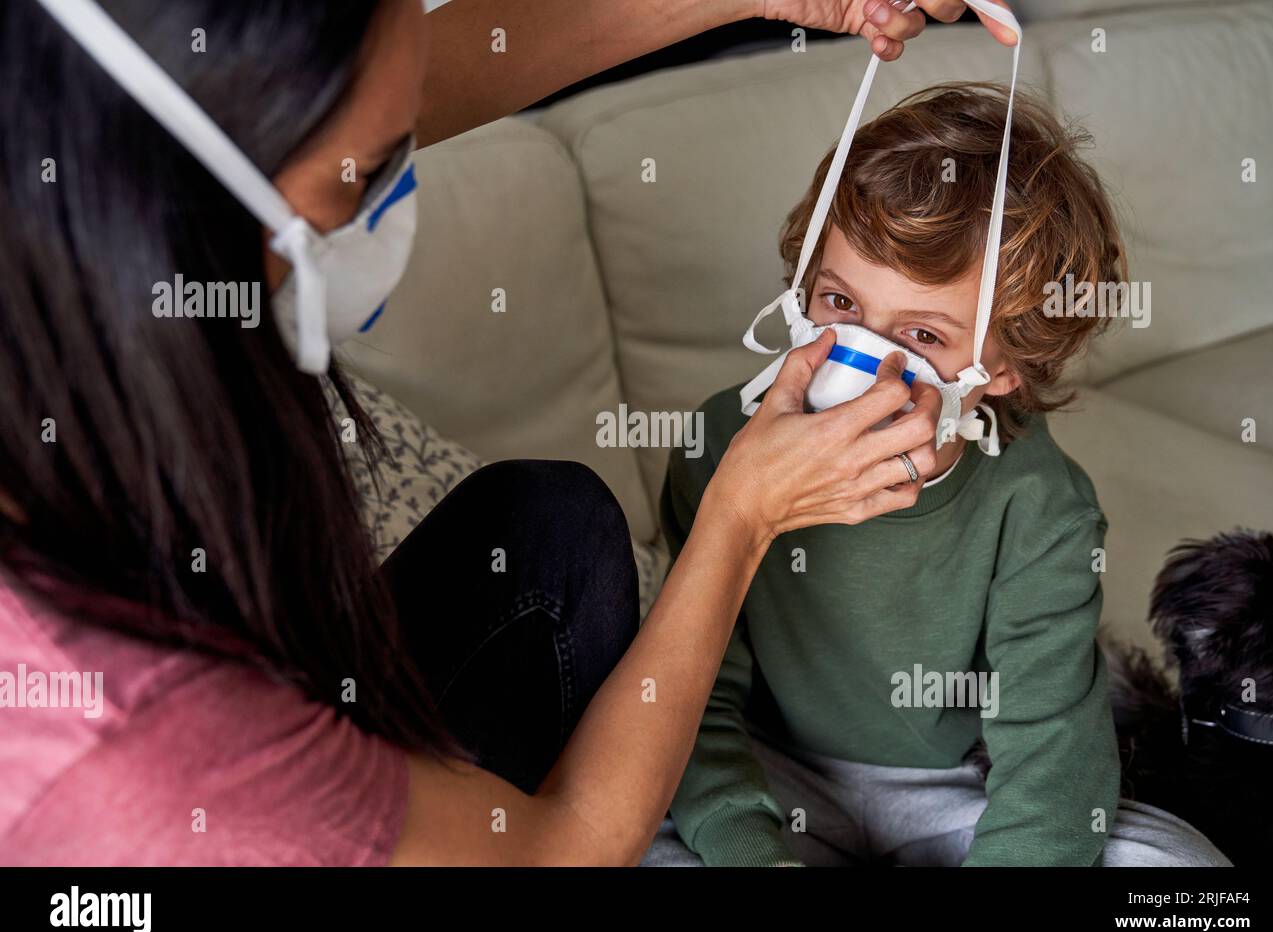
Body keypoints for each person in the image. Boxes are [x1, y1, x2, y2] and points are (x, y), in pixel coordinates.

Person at [0, 0, 1012, 865]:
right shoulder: (147, 736)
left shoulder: (63, 186)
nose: (392, 194)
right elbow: (557, 848)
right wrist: (738, 522)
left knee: (551, 531)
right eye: (362, 180)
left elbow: (429, 75)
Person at [654, 84, 1231, 866]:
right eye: (839, 302)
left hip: (961, 790)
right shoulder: (726, 441)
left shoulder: (1040, 505)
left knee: (1189, 880)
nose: (863, 360)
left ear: (1003, 370)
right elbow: (693, 698)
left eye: (922, 333)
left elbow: (1052, 752)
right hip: (772, 773)